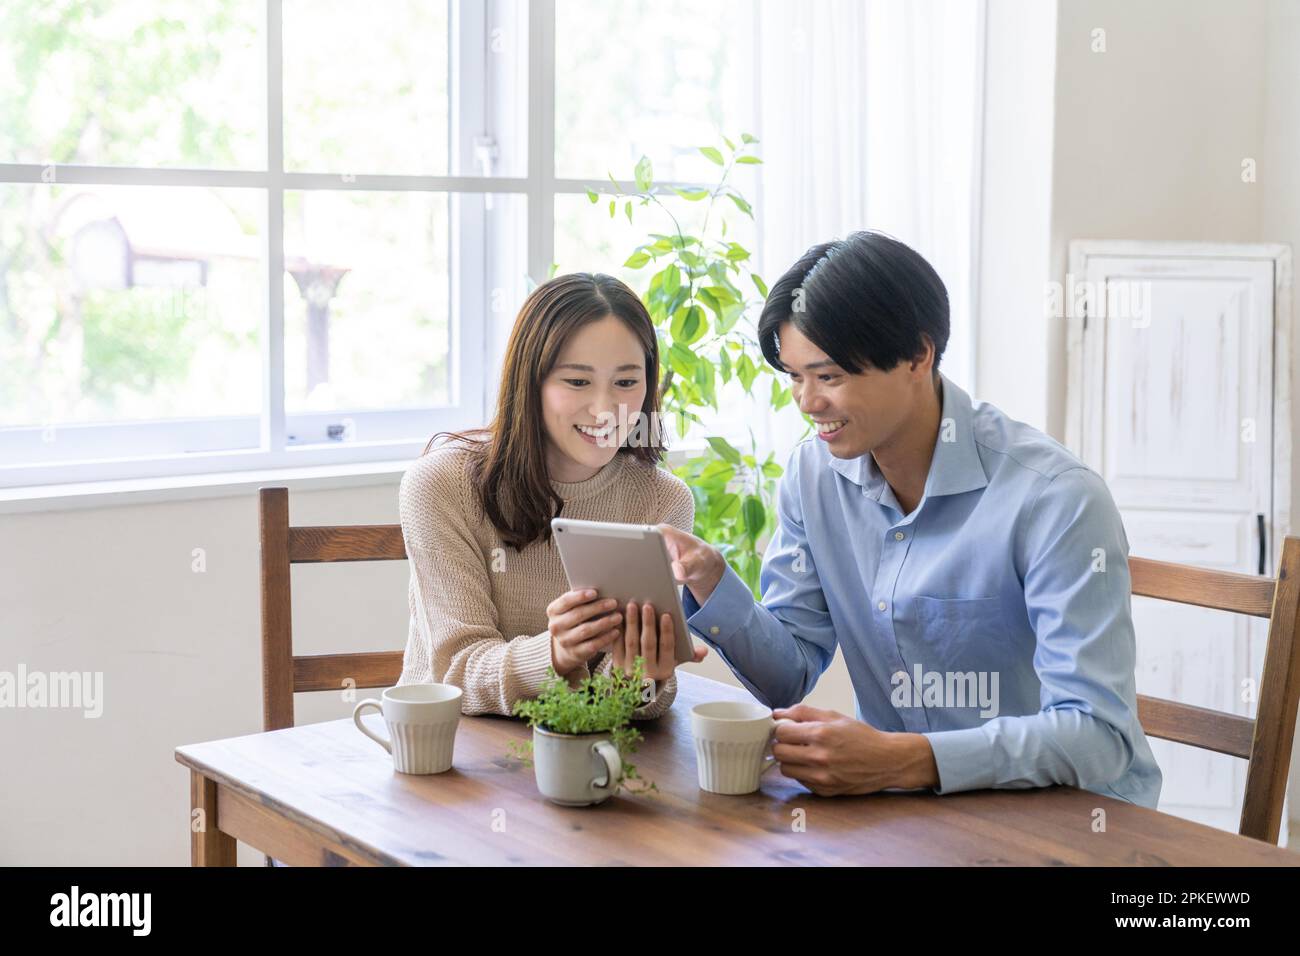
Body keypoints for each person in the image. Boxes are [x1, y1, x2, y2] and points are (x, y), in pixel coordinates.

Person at [659, 231, 1162, 807]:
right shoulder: (813, 476)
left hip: (1069, 822)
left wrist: (905, 759)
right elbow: (789, 673)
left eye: (829, 377)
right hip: (908, 815)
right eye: (794, 377)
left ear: (918, 356)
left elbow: (1097, 736)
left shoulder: (1055, 499)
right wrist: (714, 584)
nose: (807, 403)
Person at [398, 272, 707, 718]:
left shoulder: (661, 500)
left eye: (625, 383)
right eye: (577, 382)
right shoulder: (441, 486)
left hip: (587, 754)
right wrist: (556, 655)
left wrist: (637, 680)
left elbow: (635, 705)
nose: (605, 410)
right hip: (452, 755)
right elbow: (457, 674)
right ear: (531, 383)